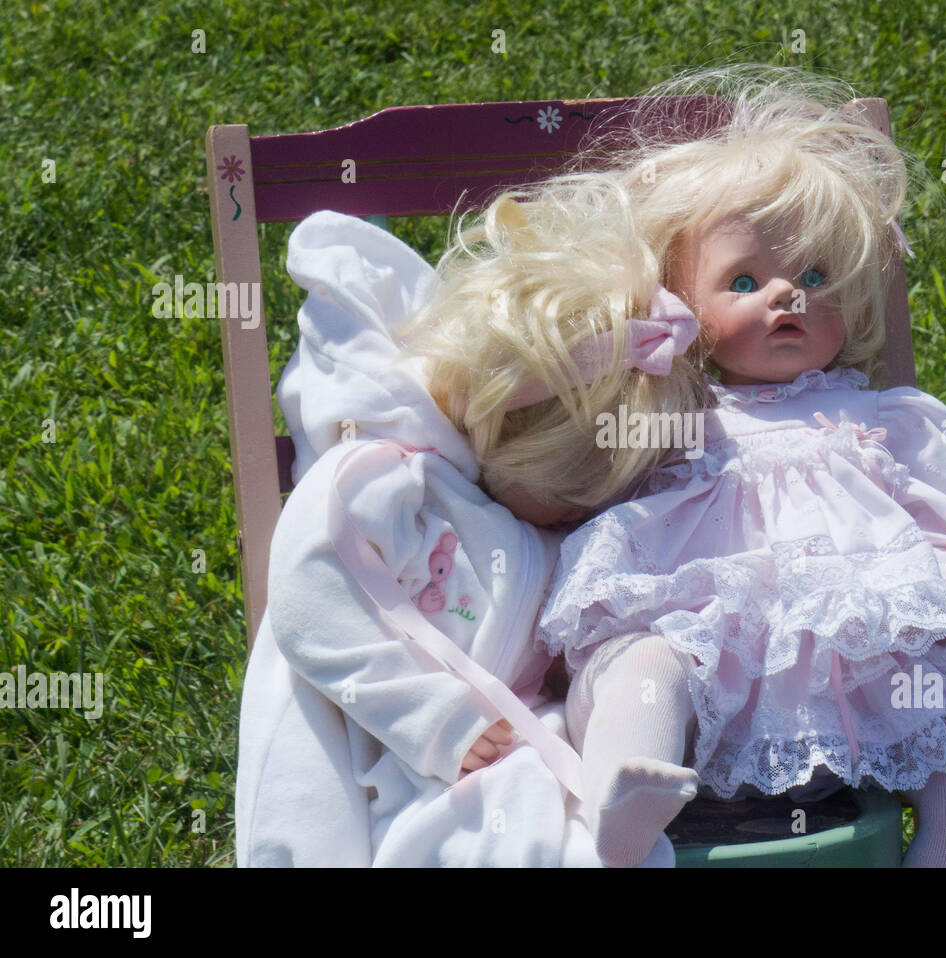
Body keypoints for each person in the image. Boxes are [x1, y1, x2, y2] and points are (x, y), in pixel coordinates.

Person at [537, 64, 946, 867]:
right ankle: (622, 800)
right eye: (745, 281)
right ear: (681, 300)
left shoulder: (891, 422)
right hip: (705, 656)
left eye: (816, 277)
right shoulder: (673, 413)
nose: (787, 295)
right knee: (641, 670)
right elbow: (562, 447)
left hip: (875, 672)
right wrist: (633, 344)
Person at [235, 171, 712, 866]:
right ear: (511, 443)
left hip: (511, 735)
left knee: (549, 830)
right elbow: (310, 600)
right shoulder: (383, 482)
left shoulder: (530, 529)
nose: (587, 516)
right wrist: (434, 720)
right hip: (383, 729)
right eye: (575, 497)